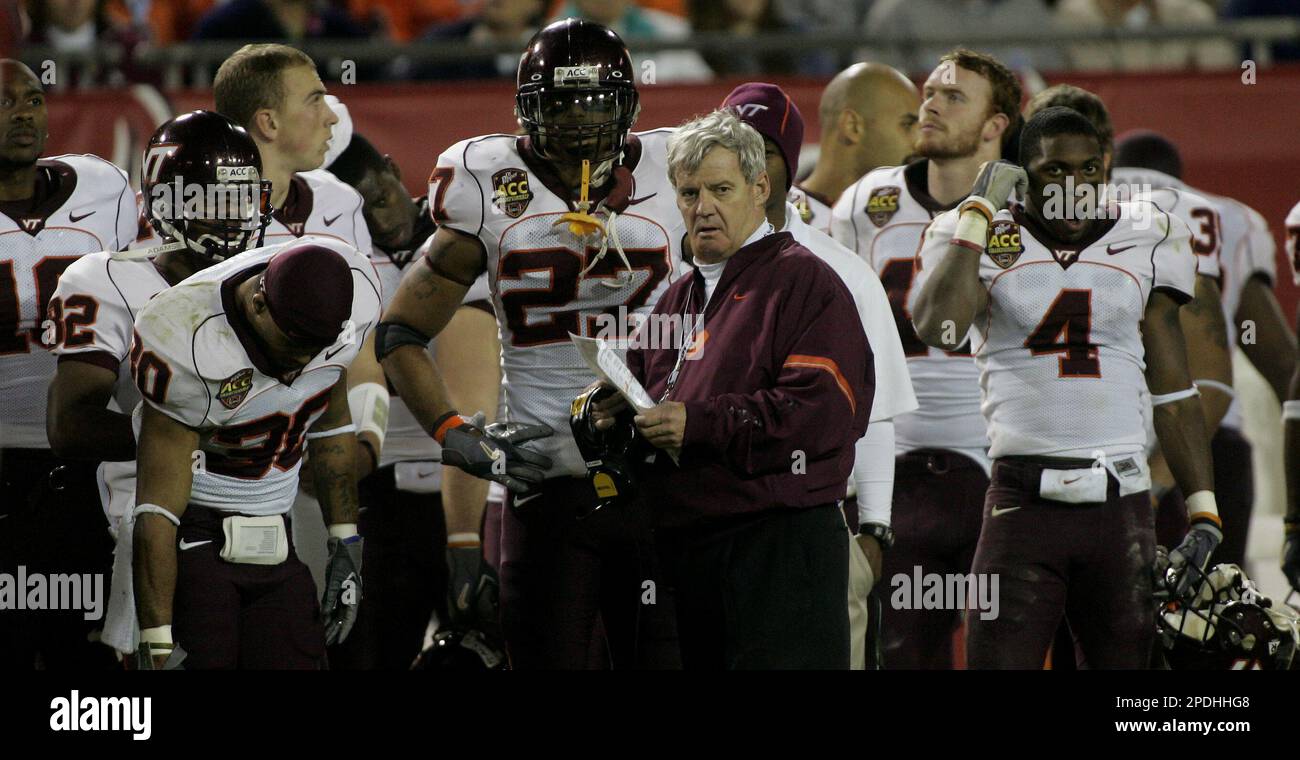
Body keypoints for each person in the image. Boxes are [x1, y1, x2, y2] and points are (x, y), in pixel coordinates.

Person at [377, 19, 682, 669]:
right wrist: (451, 429)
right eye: (561, 103)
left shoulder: (680, 171)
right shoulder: (489, 185)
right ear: (526, 111)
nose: (578, 121)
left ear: (628, 105)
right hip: (548, 485)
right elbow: (400, 331)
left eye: (596, 102)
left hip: (663, 481)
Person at [911, 107, 1219, 669]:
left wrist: (1203, 511)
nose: (1075, 188)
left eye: (1089, 170)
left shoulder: (1148, 233)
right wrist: (976, 213)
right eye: (1055, 171)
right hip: (1020, 504)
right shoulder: (975, 231)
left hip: (1121, 506)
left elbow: (1173, 389)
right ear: (1022, 176)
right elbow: (939, 327)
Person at [593, 108, 872, 669]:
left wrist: (700, 423)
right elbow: (654, 394)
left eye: (721, 189)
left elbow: (820, 414)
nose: (704, 207)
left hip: (780, 547)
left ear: (760, 187)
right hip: (691, 550)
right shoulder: (678, 298)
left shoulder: (804, 280)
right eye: (690, 192)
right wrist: (618, 414)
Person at [46, 110, 276, 657]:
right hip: (146, 514)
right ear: (169, 200)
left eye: (241, 199)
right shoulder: (107, 278)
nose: (233, 217)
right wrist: (185, 441)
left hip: (260, 506)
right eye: (214, 200)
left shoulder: (272, 271)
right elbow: (71, 425)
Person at [829, 49, 1019, 669]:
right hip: (895, 463)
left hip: (1002, 464)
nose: (931, 103)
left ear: (996, 124)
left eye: (955, 96)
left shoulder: (1029, 209)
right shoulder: (864, 203)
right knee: (898, 650)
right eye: (930, 91)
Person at [720, 81, 915, 669]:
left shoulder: (843, 270)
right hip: (701, 523)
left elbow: (874, 414)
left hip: (812, 526)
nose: (749, 162)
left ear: (789, 160)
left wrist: (875, 531)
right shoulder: (677, 265)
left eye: (764, 150)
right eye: (735, 147)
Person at [130, 238, 383, 669]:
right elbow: (156, 509)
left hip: (277, 535)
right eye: (294, 343)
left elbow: (333, 423)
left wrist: (346, 543)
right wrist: (156, 640)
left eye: (314, 348)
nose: (301, 362)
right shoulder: (187, 338)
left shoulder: (355, 293)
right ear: (260, 304)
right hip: (195, 535)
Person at [326, 132, 503, 668]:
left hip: (480, 486)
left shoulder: (464, 237)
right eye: (363, 214)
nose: (381, 223)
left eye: (380, 198)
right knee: (370, 651)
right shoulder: (339, 258)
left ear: (392, 166)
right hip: (385, 492)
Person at [0, 58, 139, 670]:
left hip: (85, 460)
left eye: (33, 98)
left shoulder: (103, 189)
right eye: (6, 101)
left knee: (84, 651)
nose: (25, 113)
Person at [796, 63, 919, 232]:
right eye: (907, 125)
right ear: (852, 126)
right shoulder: (774, 222)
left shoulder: (919, 219)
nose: (919, 141)